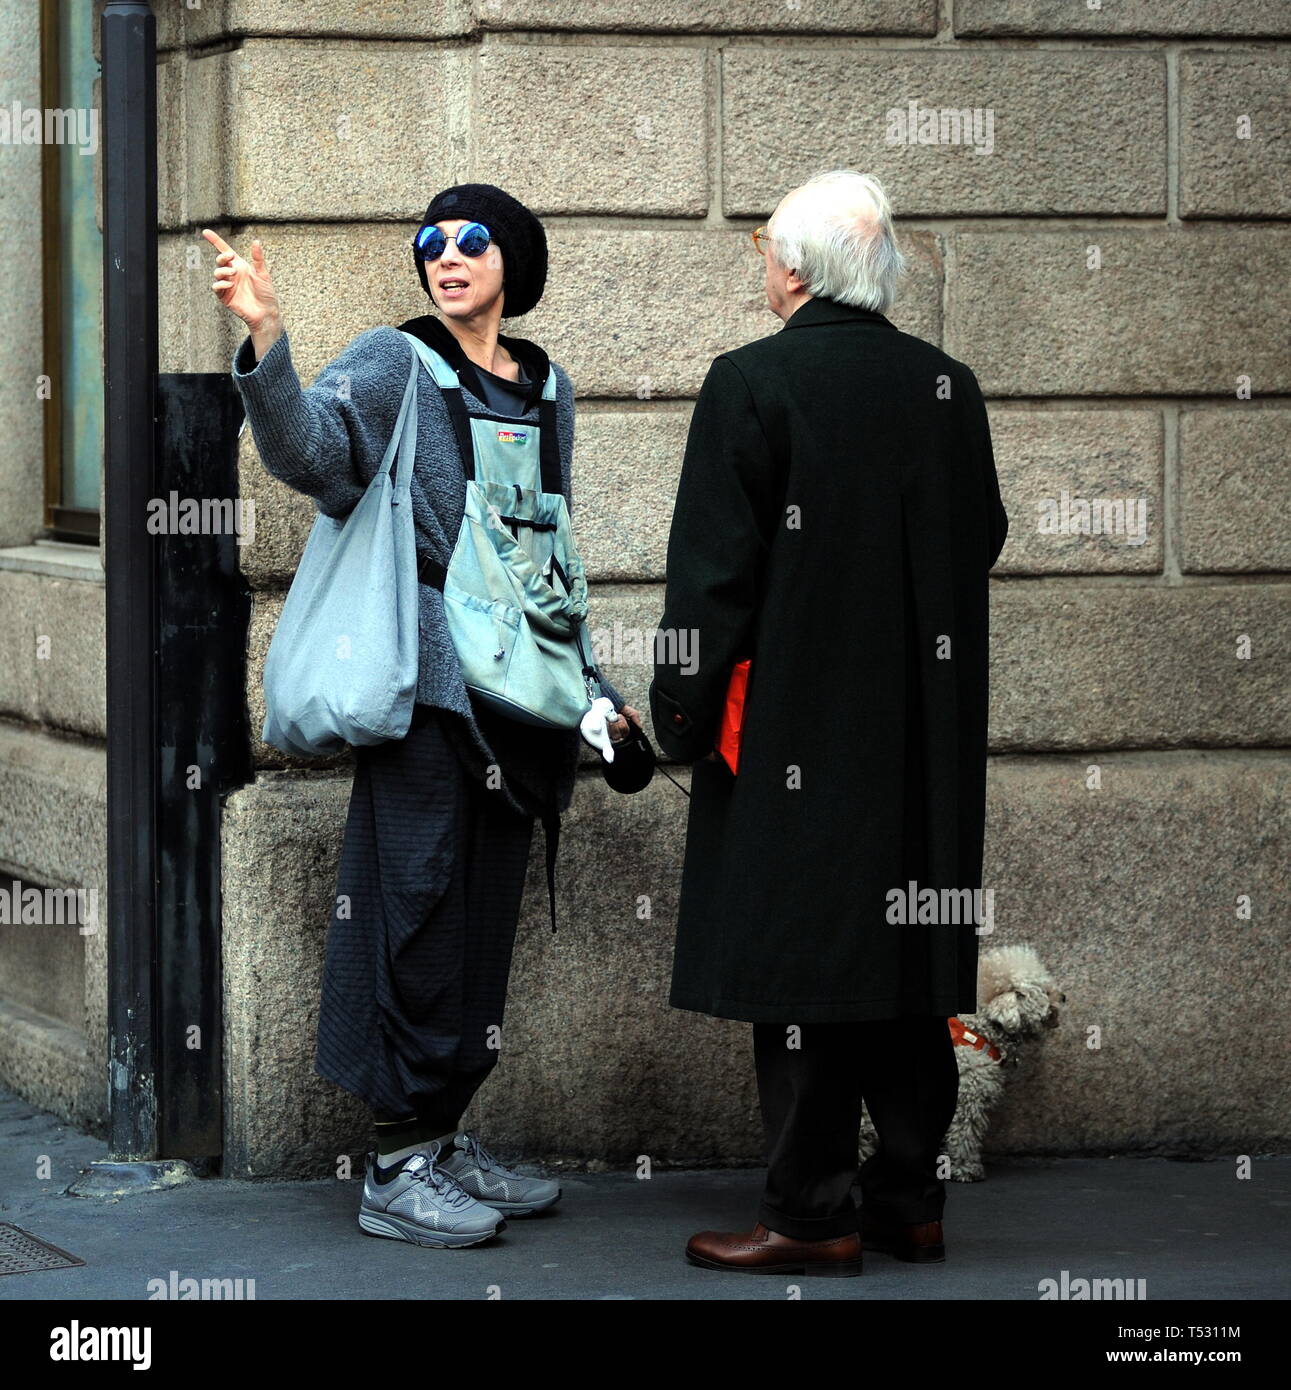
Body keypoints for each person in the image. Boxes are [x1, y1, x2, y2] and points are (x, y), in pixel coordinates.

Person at [205, 183, 643, 1249]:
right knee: (415, 910)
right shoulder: (394, 362)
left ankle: (444, 1135)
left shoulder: (549, 389)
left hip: (523, 699)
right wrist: (269, 341)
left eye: (472, 242)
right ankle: (394, 1161)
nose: (447, 257)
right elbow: (313, 457)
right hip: (428, 696)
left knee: (482, 925)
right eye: (431, 244)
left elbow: (552, 560)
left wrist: (596, 695)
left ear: (514, 263)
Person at [649, 169, 1008, 1277]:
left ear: (795, 269)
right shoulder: (949, 386)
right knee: (908, 963)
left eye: (764, 247)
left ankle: (811, 1213)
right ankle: (909, 1199)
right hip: (921, 738)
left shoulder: (751, 383)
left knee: (803, 967)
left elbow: (711, 580)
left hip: (792, 731)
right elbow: (979, 535)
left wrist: (674, 716)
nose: (762, 263)